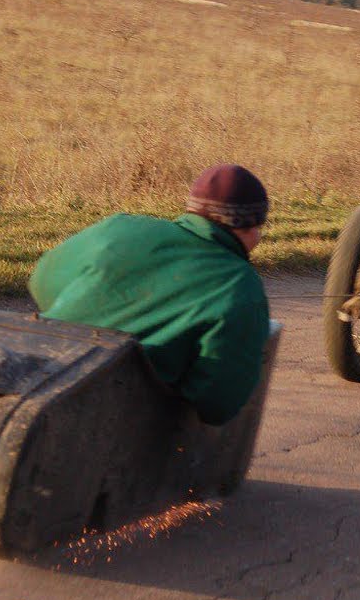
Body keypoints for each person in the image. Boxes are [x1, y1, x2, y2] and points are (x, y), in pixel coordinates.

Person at [29, 164, 271, 425]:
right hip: (118, 417)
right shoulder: (239, 285)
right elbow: (218, 404)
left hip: (39, 371)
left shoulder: (120, 227)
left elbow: (41, 280)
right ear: (249, 227)